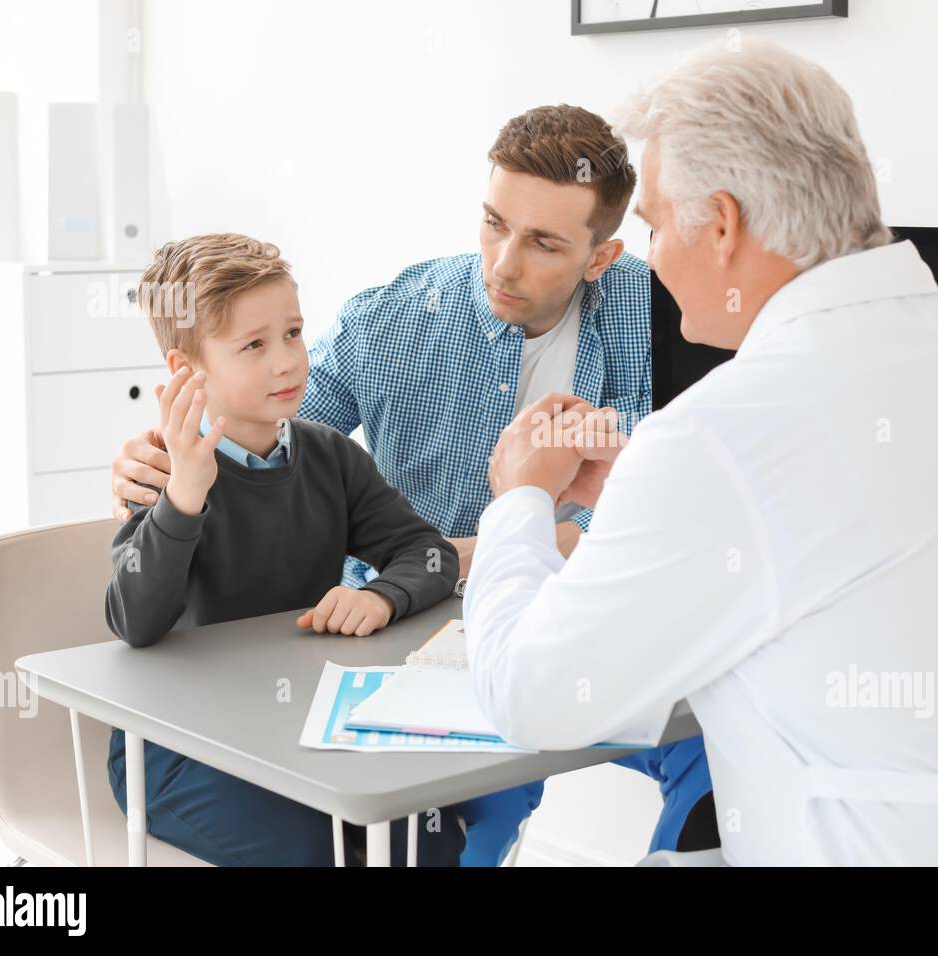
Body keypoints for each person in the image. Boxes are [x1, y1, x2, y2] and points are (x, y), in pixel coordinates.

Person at [463, 41, 938, 865]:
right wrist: (638, 499)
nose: (652, 259)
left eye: (656, 228)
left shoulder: (723, 433)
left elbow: (534, 698)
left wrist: (518, 499)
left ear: (723, 224)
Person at [106, 106, 717, 866]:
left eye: (544, 243)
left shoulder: (664, 312)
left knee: (712, 745)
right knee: (457, 821)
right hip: (419, 644)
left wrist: (529, 542)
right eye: (495, 224)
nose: (502, 263)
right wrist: (162, 462)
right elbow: (266, 439)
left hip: (589, 621)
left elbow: (690, 504)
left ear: (600, 256)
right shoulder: (391, 322)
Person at [106, 232, 463, 866]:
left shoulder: (330, 456)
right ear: (186, 369)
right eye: (254, 345)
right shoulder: (163, 470)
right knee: (314, 852)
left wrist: (382, 595)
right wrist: (185, 499)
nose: (287, 362)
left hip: (298, 731)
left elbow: (429, 554)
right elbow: (134, 619)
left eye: (293, 334)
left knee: (428, 838)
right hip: (177, 752)